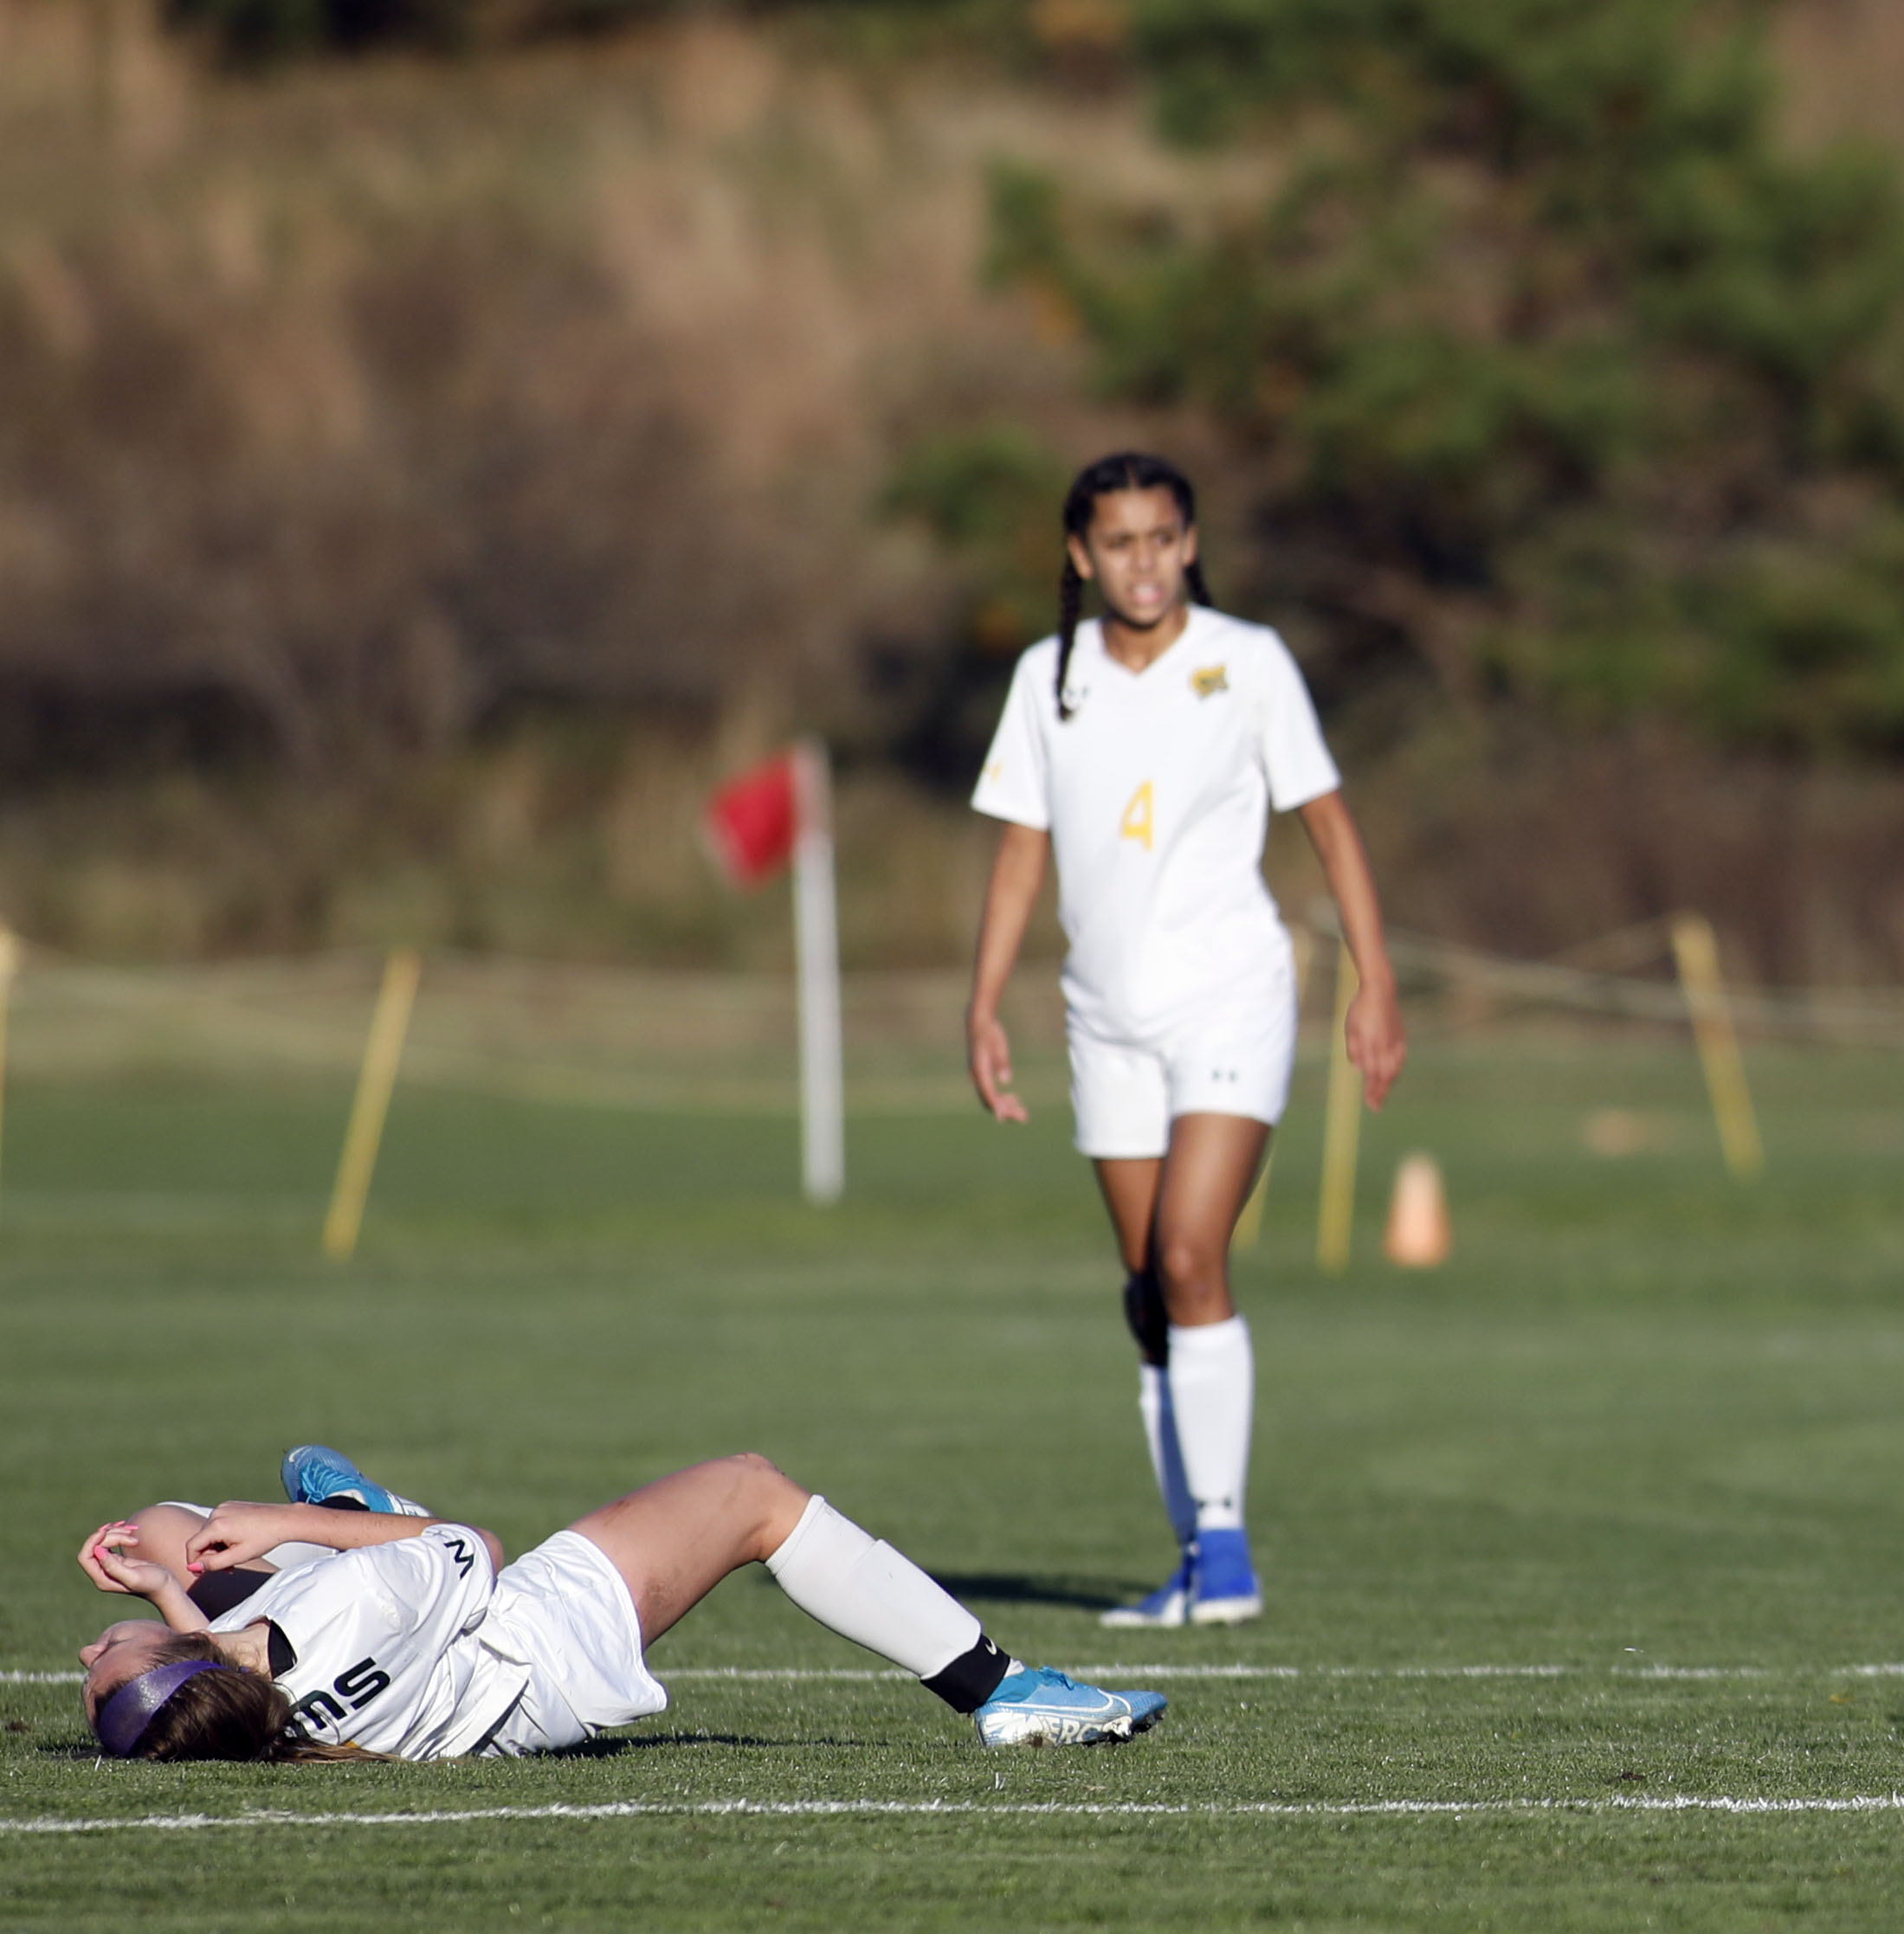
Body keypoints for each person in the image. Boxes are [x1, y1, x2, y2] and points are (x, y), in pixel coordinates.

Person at [965, 453, 1405, 1629]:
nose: (1143, 561)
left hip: (1231, 998)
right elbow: (1018, 847)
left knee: (1192, 1253)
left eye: (1163, 537)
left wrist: (1376, 979)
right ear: (1080, 555)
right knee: (1149, 1288)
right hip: (1103, 1021)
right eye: (1119, 542)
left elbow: (1328, 822)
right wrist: (983, 1000)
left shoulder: (1248, 663)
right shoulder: (1045, 677)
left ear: (1191, 541)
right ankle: (1192, 1551)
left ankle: (1225, 1548)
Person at [76, 1445, 1168, 1761]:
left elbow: (219, 1665)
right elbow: (472, 1548)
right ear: (183, 1667)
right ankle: (1004, 1689)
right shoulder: (351, 1602)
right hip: (530, 1641)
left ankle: (334, 1509)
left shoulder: (238, 1694)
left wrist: (168, 1582)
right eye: (106, 1662)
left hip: (404, 1692)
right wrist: (288, 1520)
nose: (90, 1642)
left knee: (164, 1524)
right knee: (754, 1493)